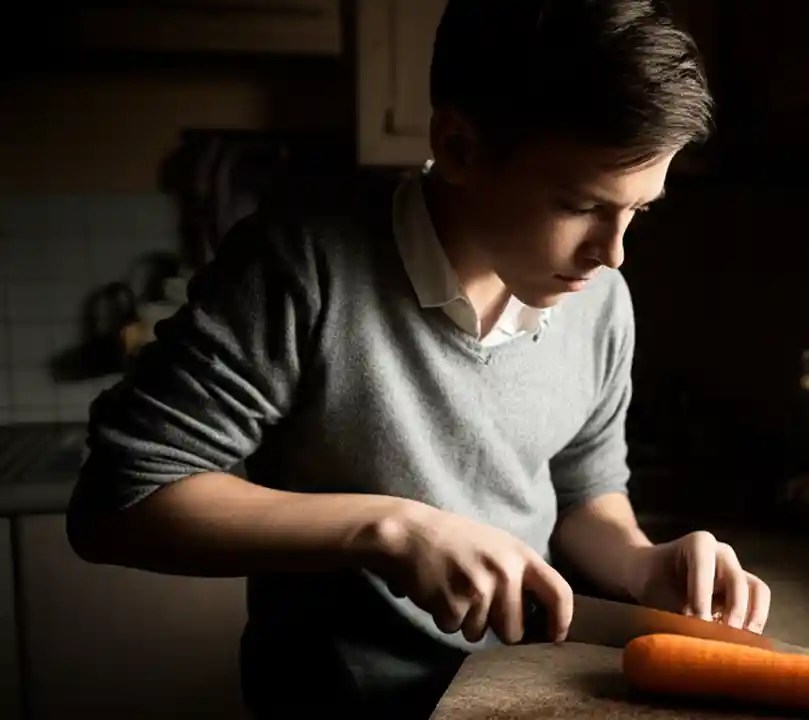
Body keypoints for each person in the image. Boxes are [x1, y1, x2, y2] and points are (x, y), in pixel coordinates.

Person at [65, 0, 772, 716]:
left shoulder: (600, 299)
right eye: (581, 206)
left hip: (524, 695)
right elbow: (118, 502)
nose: (613, 254)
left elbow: (586, 493)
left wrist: (642, 563)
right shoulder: (302, 266)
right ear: (459, 147)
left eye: (638, 212)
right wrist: (391, 531)